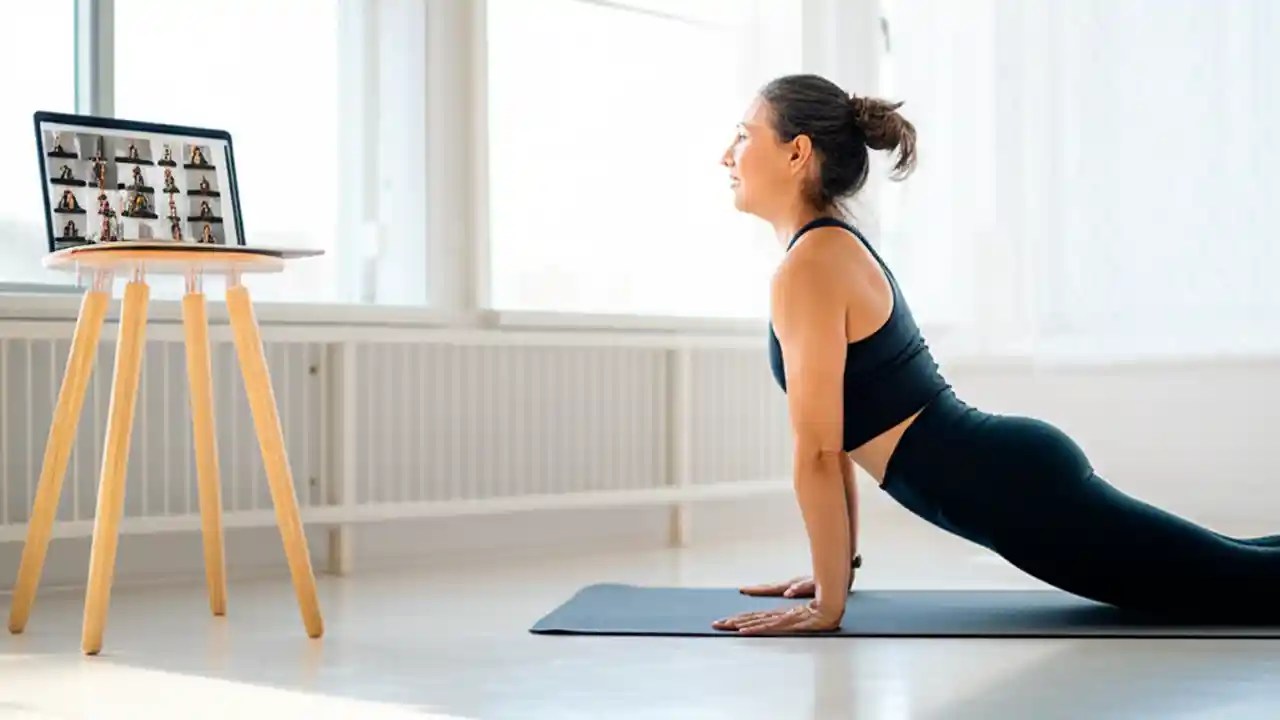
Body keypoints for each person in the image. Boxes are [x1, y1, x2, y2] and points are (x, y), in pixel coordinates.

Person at [710, 73, 1280, 636]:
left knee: (1245, 583)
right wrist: (834, 579)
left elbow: (816, 452)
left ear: (797, 153)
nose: (726, 156)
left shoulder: (810, 266)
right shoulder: (821, 251)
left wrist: (827, 609)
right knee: (1235, 563)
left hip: (1014, 493)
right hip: (1010, 479)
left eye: (742, 134)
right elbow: (832, 451)